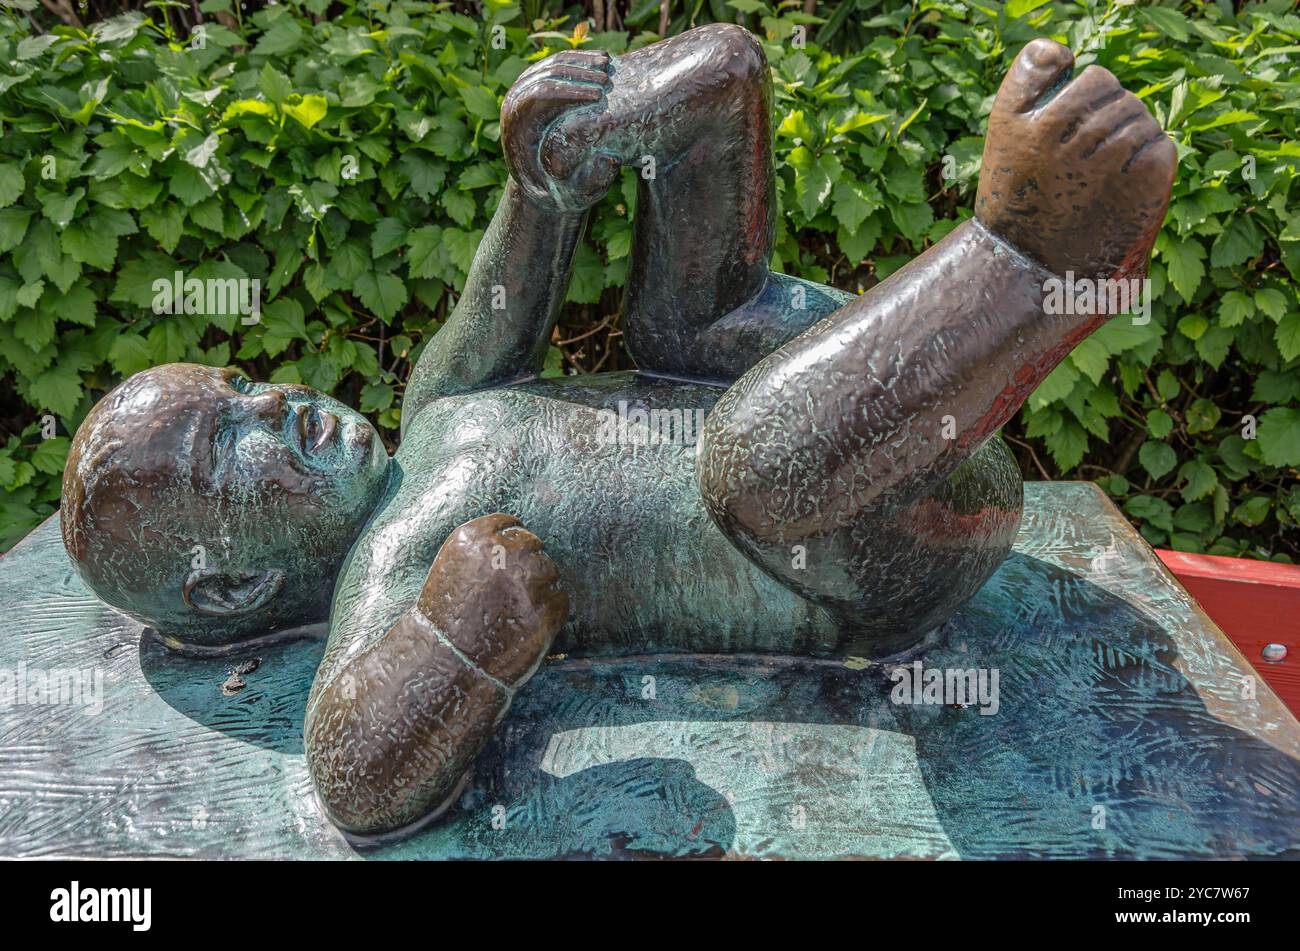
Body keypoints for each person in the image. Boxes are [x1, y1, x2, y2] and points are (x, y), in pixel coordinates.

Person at [61, 25, 1175, 837]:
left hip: (871, 435)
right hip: (868, 544)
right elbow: (353, 775)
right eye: (225, 445)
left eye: (239, 383)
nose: (272, 404)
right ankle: (1029, 263)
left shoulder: (435, 405)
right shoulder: (395, 563)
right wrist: (456, 638)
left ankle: (719, 92)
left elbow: (514, 278)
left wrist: (549, 167)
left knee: (692, 290)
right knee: (752, 465)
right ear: (234, 587)